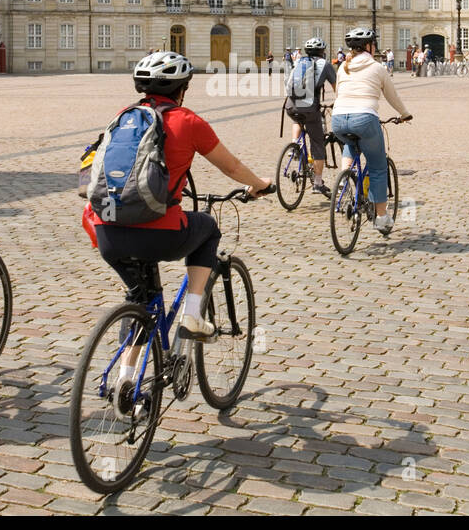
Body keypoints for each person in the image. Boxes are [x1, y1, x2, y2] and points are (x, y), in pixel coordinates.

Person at [85, 51, 271, 339]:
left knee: (140, 300)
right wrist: (258, 184)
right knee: (208, 228)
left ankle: (124, 379)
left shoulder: (123, 116)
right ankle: (193, 315)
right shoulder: (188, 121)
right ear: (182, 89)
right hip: (161, 234)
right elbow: (231, 166)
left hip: (108, 232)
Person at [329, 28, 411, 235]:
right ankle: (382, 218)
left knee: (350, 143)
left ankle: (345, 176)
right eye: (373, 44)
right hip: (365, 118)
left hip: (338, 120)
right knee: (377, 167)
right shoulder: (377, 67)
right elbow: (392, 96)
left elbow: (339, 93)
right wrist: (404, 113)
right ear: (368, 47)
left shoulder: (342, 68)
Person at [284, 37, 338, 197]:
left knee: (297, 119)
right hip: (309, 107)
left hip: (290, 104)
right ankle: (318, 183)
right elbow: (337, 88)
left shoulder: (299, 61)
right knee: (318, 143)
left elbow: (288, 83)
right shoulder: (325, 65)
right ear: (323, 52)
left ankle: (294, 146)